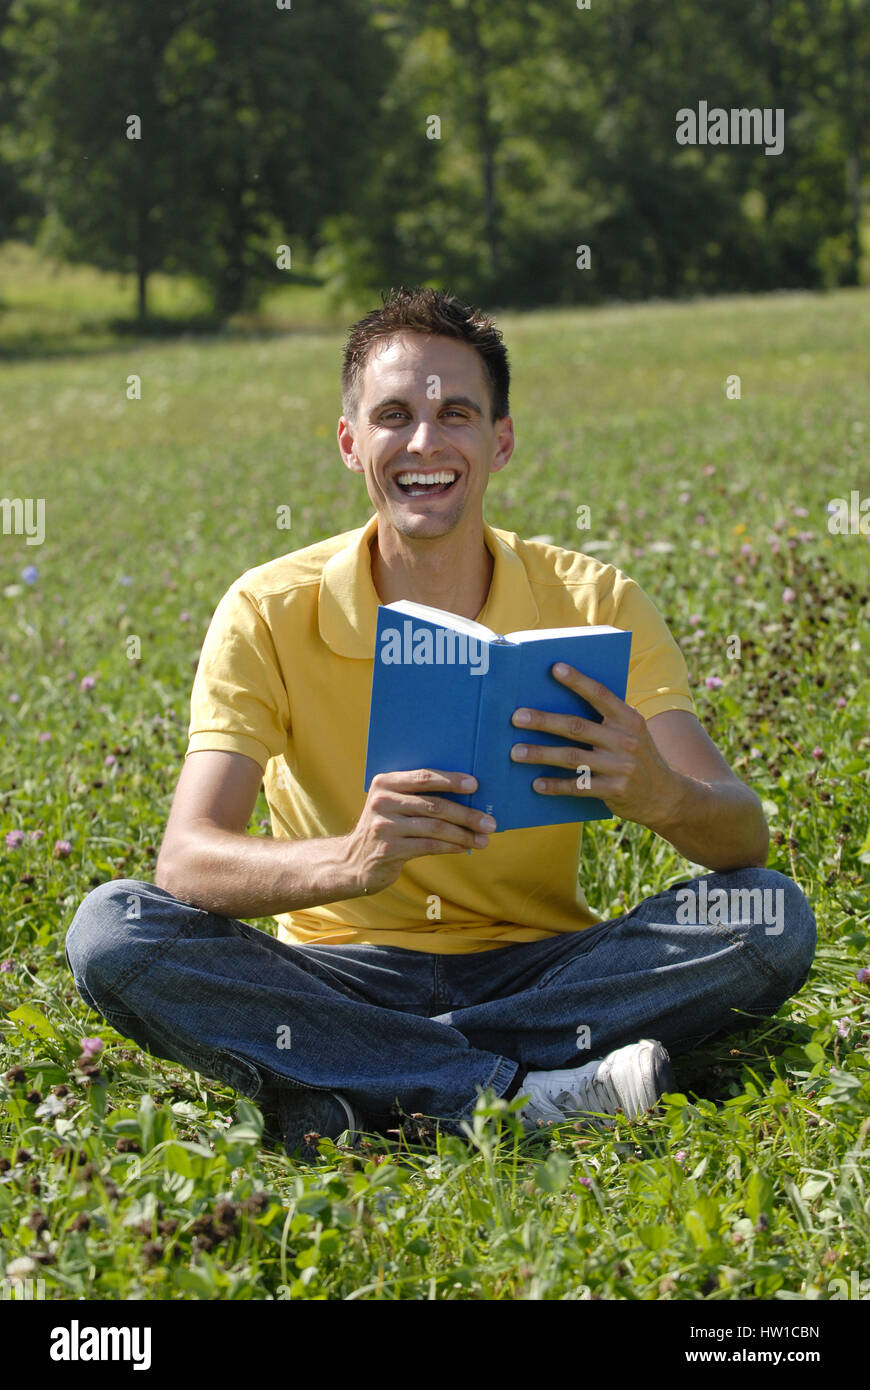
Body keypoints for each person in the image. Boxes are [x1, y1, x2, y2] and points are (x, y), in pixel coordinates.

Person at [65, 287, 816, 1159]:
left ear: (500, 440)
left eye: (456, 413)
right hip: (336, 975)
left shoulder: (595, 599)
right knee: (112, 928)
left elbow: (741, 836)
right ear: (352, 444)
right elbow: (187, 859)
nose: (425, 442)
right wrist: (350, 859)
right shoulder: (266, 609)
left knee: (770, 913)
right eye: (394, 416)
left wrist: (658, 792)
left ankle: (366, 1087)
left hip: (543, 967)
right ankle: (520, 1091)